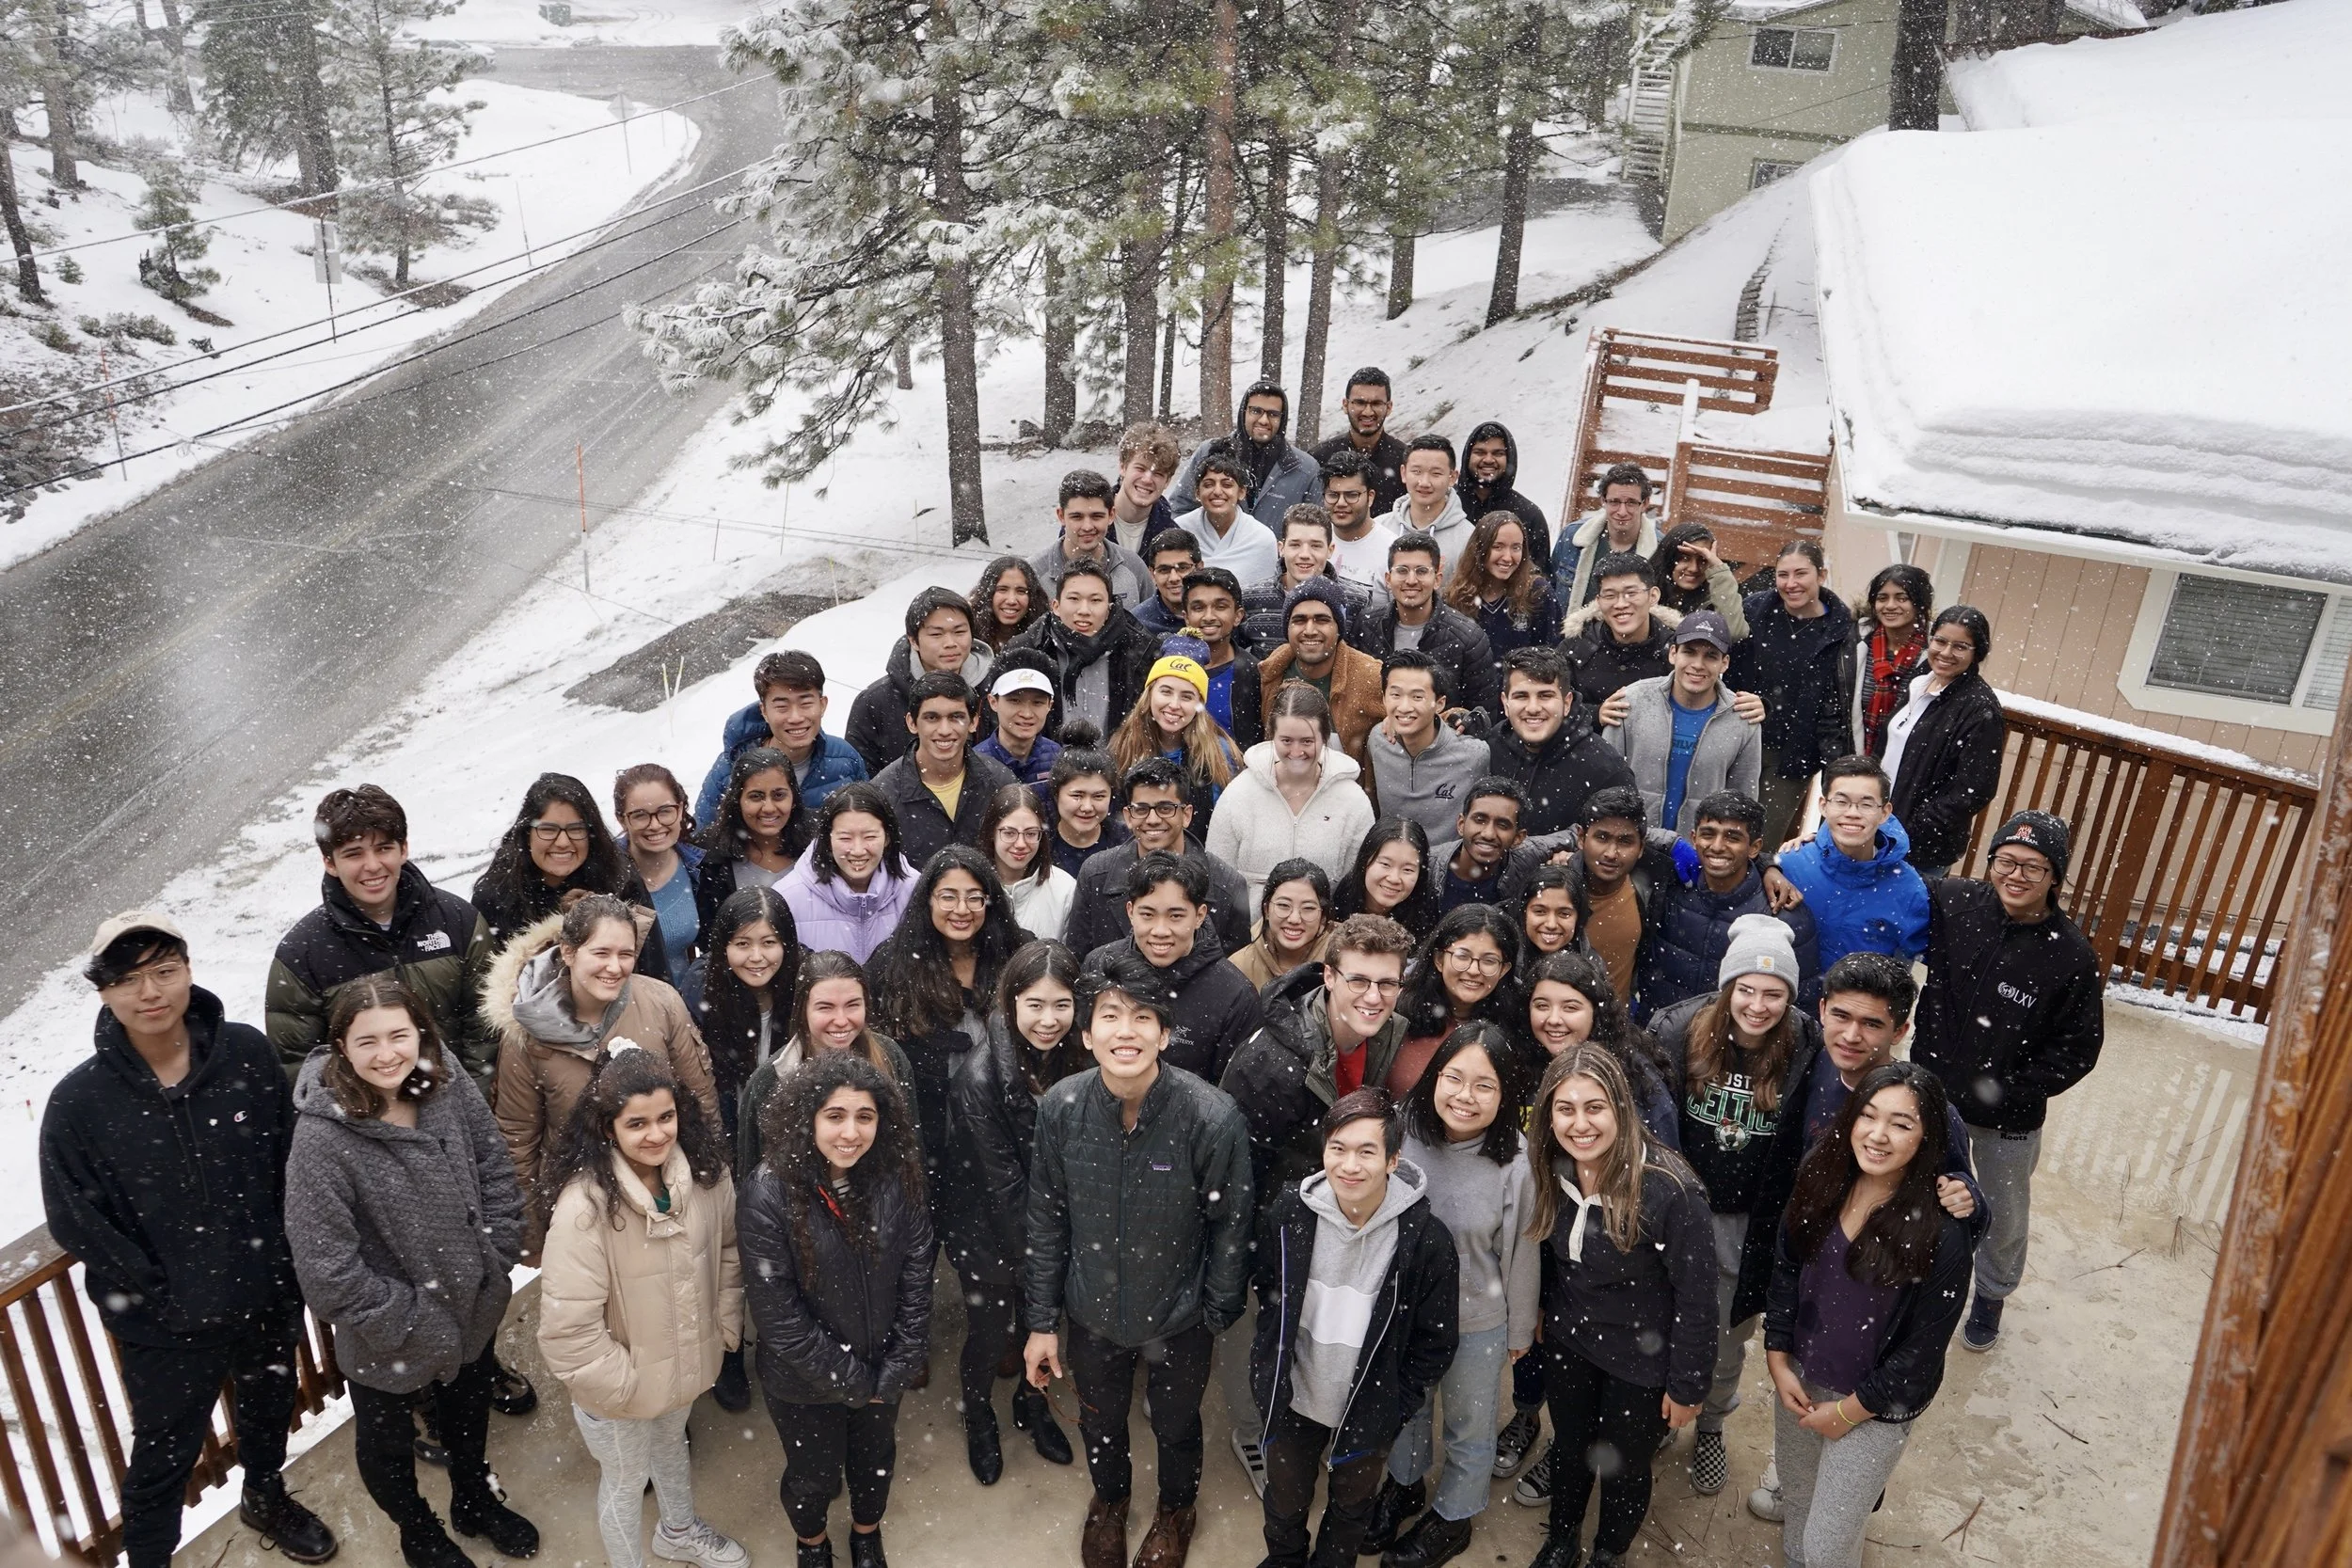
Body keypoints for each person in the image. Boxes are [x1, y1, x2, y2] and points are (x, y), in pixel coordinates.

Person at [42, 912, 338, 1568]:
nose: (151, 992)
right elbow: (76, 1219)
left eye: (164, 971)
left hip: (265, 1293)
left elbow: (288, 1160)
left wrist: (284, 1262)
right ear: (104, 992)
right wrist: (162, 1297)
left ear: (188, 971)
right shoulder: (79, 1103)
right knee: (162, 1461)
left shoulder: (243, 1053)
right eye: (130, 979)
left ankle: (264, 1493)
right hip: (165, 1328)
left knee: (267, 1409)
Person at [284, 976, 534, 1568]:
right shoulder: (323, 1138)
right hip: (388, 1333)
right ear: (341, 1047)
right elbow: (327, 1271)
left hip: (473, 1303)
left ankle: (473, 1499)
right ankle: (418, 1531)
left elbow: (494, 1167)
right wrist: (416, 1319)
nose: (387, 1053)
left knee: (467, 1418)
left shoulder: (440, 1083)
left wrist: (492, 1263)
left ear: (421, 1034)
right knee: (387, 1444)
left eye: (400, 1035)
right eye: (366, 1040)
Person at [1729, 954, 1986, 1523]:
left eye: (1872, 1024)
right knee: (1804, 1382)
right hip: (1808, 1250)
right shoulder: (1812, 1065)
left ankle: (1847, 1494)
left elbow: (1960, 1196)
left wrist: (1970, 1199)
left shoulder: (1921, 1109)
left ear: (1901, 1030)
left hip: (1874, 1285)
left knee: (1847, 1405)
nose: (1851, 1034)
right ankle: (1804, 1484)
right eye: (1840, 1016)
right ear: (1819, 1011)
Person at [1024, 950, 1255, 1568]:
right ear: (1086, 1031)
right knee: (1100, 1420)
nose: (1126, 1030)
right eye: (1110, 1015)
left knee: (1177, 1424)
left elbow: (1232, 1220)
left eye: (1142, 1016)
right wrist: (1043, 1321)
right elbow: (1046, 1218)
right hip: (1091, 1310)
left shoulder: (1210, 1116)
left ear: (1166, 1032)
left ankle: (1176, 1509)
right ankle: (1110, 1499)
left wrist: (1214, 1310)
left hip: (1178, 1315)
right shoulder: (1061, 1109)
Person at [1217, 912, 1418, 1489]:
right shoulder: (1272, 1062)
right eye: (1358, 980)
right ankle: (1253, 1429)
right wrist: (1249, 1250)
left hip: (1333, 1211)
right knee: (1258, 1327)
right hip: (1271, 1218)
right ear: (1328, 976)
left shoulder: (1385, 1034)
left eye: (1387, 983)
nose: (1373, 996)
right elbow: (1236, 1171)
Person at [535, 1049, 747, 1568]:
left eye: (666, 1117)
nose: (656, 1134)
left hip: (680, 1367)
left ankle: (677, 1532)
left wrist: (722, 1324)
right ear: (608, 1127)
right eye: (637, 1124)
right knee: (626, 1481)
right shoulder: (583, 1208)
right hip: (620, 1390)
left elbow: (728, 1251)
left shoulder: (706, 1178)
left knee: (672, 1447)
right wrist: (626, 1386)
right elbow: (569, 1330)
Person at [1763, 1062, 1973, 1568]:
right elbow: (1787, 1269)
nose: (1878, 1136)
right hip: (1802, 1381)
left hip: (1875, 1408)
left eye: (1901, 1124)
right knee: (1798, 1504)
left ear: (1927, 1139)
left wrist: (1848, 1412)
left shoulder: (1945, 1231)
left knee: (1829, 1543)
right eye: (1869, 1117)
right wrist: (1777, 1355)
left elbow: (1922, 1354)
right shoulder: (1821, 1176)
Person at [1912, 812, 2103, 1354]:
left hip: (2008, 1118)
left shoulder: (2071, 956)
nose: (2016, 876)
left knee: (2002, 1209)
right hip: (1935, 1095)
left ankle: (1991, 1295)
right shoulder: (1954, 903)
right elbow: (1889, 883)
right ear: (1990, 861)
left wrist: (2012, 1088)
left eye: (2033, 867)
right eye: (2006, 861)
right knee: (1925, 1194)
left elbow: (2078, 1051)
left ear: (2054, 878)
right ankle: (1917, 1279)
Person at [738, 1052, 933, 1568]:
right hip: (803, 1381)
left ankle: (866, 1534)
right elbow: (777, 1312)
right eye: (835, 1116)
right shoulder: (768, 1191)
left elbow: (917, 1271)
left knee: (874, 1466)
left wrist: (896, 1365)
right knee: (814, 1475)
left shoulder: (897, 1177)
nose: (851, 1132)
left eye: (864, 1117)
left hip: (880, 1367)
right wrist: (852, 1381)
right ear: (808, 1118)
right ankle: (813, 1542)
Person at [1522, 1047, 1714, 1568]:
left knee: (1624, 1463)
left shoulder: (1672, 1191)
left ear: (1622, 1109)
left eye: (1595, 1107)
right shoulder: (1549, 1166)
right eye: (1565, 1108)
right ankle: (1562, 1539)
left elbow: (1699, 1299)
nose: (1580, 1124)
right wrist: (1541, 1308)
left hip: (1642, 1356)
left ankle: (1609, 1551)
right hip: (1571, 1340)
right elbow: (1545, 1250)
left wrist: (1688, 1384)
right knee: (1570, 1445)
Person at [1251, 1088, 1459, 1568]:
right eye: (1338, 1149)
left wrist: (1395, 1402)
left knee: (1351, 1506)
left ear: (1392, 1159)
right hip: (1293, 1396)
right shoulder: (1291, 1214)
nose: (1349, 1165)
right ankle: (1284, 1560)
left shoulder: (1425, 1241)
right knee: (1283, 1500)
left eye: (1367, 1151)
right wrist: (1268, 1367)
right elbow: (1268, 1290)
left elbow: (1435, 1341)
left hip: (1368, 1407)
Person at [1645, 915, 1816, 1497]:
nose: (1758, 1005)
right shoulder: (1678, 1030)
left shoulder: (1806, 1045)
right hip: (1681, 1209)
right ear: (1727, 988)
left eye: (1774, 994)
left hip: (1749, 1222)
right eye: (1746, 989)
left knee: (1724, 1338)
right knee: (1660, 1324)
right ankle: (1664, 1413)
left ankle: (1713, 1425)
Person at [1376, 1028, 1539, 1568]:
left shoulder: (1515, 1161)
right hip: (1404, 1314)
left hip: (1477, 1318)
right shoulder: (1400, 1130)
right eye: (1454, 1078)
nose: (1465, 1096)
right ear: (1434, 1077)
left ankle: (1454, 1515)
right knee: (1406, 1410)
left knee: (1470, 1423)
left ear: (1505, 1095)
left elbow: (1522, 1252)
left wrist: (1518, 1331)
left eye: (1484, 1086)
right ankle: (1404, 1486)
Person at [484, 892, 723, 1251]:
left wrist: (710, 1182)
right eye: (601, 953)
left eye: (625, 954)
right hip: (581, 1210)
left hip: (665, 1192)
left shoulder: (661, 1003)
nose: (615, 967)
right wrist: (535, 1234)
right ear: (568, 952)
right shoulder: (525, 1035)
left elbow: (700, 1101)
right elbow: (517, 1140)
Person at [948, 942, 1087, 1481]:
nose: (1048, 1020)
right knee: (990, 1332)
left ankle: (1032, 1406)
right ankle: (978, 1414)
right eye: (1034, 1005)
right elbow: (1003, 1189)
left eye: (1061, 1005)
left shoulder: (1081, 1056)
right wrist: (1043, 1269)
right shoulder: (979, 1081)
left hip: (1048, 1223)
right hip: (984, 1223)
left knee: (1042, 1329)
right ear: (1010, 1004)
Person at [266, 784, 494, 1080]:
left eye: (383, 848)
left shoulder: (459, 922)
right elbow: (298, 1065)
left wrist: (470, 1106)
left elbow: (485, 1031)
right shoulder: (301, 954)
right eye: (354, 854)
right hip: (363, 1118)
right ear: (329, 863)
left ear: (404, 849)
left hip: (455, 1106)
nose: (372, 866)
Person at [866, 847, 1026, 1232]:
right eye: (948, 896)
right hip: (925, 1131)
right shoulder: (893, 963)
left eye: (974, 897)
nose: (962, 909)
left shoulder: (1017, 953)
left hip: (1002, 1129)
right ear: (928, 900)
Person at [1078, 849, 1266, 1083]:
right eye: (1147, 914)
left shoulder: (1234, 994)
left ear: (1199, 916)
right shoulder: (1099, 964)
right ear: (1130, 912)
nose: (1160, 931)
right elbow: (1082, 1059)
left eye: (1175, 916)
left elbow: (1233, 1092)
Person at [471, 772, 674, 983]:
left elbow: (655, 972)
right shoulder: (496, 897)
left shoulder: (619, 878)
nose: (562, 842)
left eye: (576, 829)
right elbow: (489, 991)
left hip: (624, 1009)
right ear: (526, 834)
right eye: (548, 830)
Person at [732, 951, 919, 1179]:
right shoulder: (770, 1080)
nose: (841, 1020)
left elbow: (911, 1153)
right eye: (825, 1007)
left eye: (852, 1005)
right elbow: (753, 1178)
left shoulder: (891, 1057)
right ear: (803, 1011)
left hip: (882, 1206)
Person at [1638, 791, 1820, 1018]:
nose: (1717, 846)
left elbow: (1803, 1007)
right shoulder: (1669, 886)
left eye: (1732, 837)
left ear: (1754, 848)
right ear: (1693, 838)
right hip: (1658, 1036)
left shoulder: (1785, 915)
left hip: (1735, 1046)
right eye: (1708, 834)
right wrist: (1673, 842)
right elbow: (1624, 831)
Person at [1729, 541, 1857, 851]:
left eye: (1801, 574)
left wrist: (1772, 707)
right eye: (1782, 574)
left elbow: (1826, 698)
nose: (1791, 584)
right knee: (1721, 828)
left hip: (1792, 754)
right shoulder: (1755, 610)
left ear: (1821, 575)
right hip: (1738, 741)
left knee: (1760, 841)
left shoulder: (1841, 631)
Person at [1063, 755, 1253, 958]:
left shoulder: (1227, 885)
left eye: (1165, 809)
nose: (1153, 820)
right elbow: (1079, 962)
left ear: (1186, 815)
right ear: (1128, 816)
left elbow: (1232, 971)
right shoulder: (1095, 875)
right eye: (1141, 809)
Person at [1601, 611, 1763, 840]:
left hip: (1699, 854)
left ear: (1724, 663)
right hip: (1630, 844)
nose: (1698, 665)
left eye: (1710, 656)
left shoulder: (1743, 718)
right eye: (1689, 652)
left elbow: (1742, 803)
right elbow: (1605, 783)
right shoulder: (1632, 700)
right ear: (1673, 653)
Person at [1209, 682, 1376, 899]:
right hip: (1249, 930)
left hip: (1325, 930)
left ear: (1325, 738)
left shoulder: (1353, 801)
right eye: (1286, 741)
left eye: (1307, 741)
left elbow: (1356, 887)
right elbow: (1216, 878)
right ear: (1272, 737)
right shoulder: (1239, 793)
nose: (1296, 752)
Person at [1768, 756, 1931, 970]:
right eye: (1841, 801)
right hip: (1785, 1000)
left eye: (1866, 804)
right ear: (1824, 806)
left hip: (1856, 1001)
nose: (1852, 813)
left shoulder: (1908, 888)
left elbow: (1927, 960)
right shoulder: (1788, 866)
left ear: (1884, 812)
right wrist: (1768, 865)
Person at [677, 885, 802, 1157]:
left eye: (769, 943)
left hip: (791, 1141)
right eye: (743, 944)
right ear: (724, 946)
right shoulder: (701, 991)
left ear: (786, 944)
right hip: (725, 1138)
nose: (756, 957)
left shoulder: (804, 988)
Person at [1883, 606, 2005, 878]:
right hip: (1880, 829)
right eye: (1940, 641)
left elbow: (1974, 789)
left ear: (1977, 654)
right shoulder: (1920, 680)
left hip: (1919, 848)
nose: (1946, 653)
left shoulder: (1980, 709)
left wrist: (1911, 829)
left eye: (1960, 646)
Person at [694, 649, 867, 826]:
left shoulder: (845, 759)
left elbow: (869, 824)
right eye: (782, 707)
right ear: (764, 711)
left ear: (822, 705)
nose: (795, 718)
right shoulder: (731, 767)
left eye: (806, 704)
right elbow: (701, 839)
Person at [1486, 646, 1642, 840]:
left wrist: (1575, 855)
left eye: (1545, 696)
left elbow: (1627, 843)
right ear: (1505, 703)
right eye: (1521, 696)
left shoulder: (1606, 769)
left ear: (1567, 703)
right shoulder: (1489, 747)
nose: (1533, 708)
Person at [871, 671, 1021, 872]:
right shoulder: (883, 794)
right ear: (912, 723)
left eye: (956, 717)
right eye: (932, 718)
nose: (944, 730)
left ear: (974, 722)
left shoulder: (1000, 782)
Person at [845, 586, 993, 776]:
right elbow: (860, 781)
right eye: (936, 634)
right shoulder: (875, 702)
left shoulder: (995, 690)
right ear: (913, 640)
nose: (950, 643)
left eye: (959, 632)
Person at [1349, 533, 1497, 717]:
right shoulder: (1366, 624)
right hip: (1374, 739)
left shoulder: (1469, 638)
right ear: (1388, 579)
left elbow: (1482, 715)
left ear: (1437, 579)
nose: (1411, 580)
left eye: (1421, 571)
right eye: (1402, 571)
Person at [1009, 561, 1162, 738]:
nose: (1084, 610)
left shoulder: (1141, 652)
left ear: (1109, 608)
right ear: (1055, 606)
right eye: (1074, 599)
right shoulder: (1027, 650)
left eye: (1095, 600)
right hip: (1044, 762)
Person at [1388, 906, 1523, 1098]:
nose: (1474, 970)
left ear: (1504, 970)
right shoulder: (1396, 1012)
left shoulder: (1516, 1025)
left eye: (1489, 961)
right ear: (1439, 959)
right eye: (1462, 956)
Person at [778, 782, 916, 964]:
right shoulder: (788, 898)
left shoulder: (916, 890)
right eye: (845, 838)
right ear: (827, 840)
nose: (858, 850)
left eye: (870, 837)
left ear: (888, 837)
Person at [1110, 639, 1245, 823]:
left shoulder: (1220, 755)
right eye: (1166, 692)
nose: (1174, 705)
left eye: (1187, 696)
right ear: (1149, 694)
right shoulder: (1122, 749)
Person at [1259, 579, 1387, 770]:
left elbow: (1423, 719)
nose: (1310, 631)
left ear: (1339, 629)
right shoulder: (1270, 673)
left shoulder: (1371, 676)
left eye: (1322, 620)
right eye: (1299, 620)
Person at [1368, 651, 1489, 849]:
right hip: (1393, 867)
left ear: (1439, 704)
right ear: (1383, 698)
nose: (1404, 707)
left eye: (1417, 697)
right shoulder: (1378, 740)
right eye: (1395, 695)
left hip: (1448, 869)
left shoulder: (1474, 755)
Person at [1167, 378, 1323, 529]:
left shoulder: (1305, 469)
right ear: (1243, 412)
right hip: (1212, 554)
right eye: (1256, 411)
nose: (1264, 420)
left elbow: (1315, 527)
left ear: (1282, 419)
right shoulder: (1210, 451)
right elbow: (1179, 508)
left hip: (1275, 555)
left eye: (1273, 414)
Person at [1565, 787, 1672, 1006]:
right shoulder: (1552, 890)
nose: (1611, 853)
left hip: (1616, 1030)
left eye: (1624, 841)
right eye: (1602, 838)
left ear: (1641, 848)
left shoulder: (1652, 889)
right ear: (1581, 838)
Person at [691, 748, 811, 942]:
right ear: (738, 800)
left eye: (779, 795)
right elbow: (709, 937)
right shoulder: (710, 854)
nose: (769, 808)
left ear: (794, 798)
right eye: (756, 796)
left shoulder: (818, 842)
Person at [1446, 512, 1561, 707]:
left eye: (1516, 548)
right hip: (1468, 708)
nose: (1508, 557)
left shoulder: (1538, 593)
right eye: (1498, 547)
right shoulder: (1455, 598)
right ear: (1479, 549)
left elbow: (1554, 657)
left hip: (1521, 707)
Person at [1241, 504, 1379, 655]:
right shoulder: (1250, 598)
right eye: (1295, 545)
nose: (1305, 554)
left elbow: (1364, 662)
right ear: (1281, 548)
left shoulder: (1357, 600)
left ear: (1330, 550)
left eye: (1315, 545)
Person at [617, 765, 705, 981]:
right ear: (622, 819)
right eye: (640, 815)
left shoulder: (698, 866)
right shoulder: (607, 875)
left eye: (665, 811)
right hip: (630, 1007)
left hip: (685, 1006)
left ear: (681, 809)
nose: (655, 825)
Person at [1561, 555, 1676, 719]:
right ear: (1598, 601)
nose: (1621, 604)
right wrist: (1594, 715)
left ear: (1653, 596)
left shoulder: (1676, 650)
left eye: (1631, 593)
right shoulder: (1576, 648)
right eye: (1610, 595)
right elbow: (1552, 704)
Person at [1029, 468, 1153, 607]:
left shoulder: (1134, 567)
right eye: (1077, 517)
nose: (1087, 526)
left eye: (1096, 516)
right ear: (1061, 516)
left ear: (1111, 515)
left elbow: (1149, 623)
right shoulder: (1034, 573)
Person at [1848, 563, 1933, 758]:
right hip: (1850, 764)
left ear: (1919, 603)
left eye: (1902, 598)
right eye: (1882, 598)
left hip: (1902, 765)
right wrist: (1842, 762)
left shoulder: (1935, 655)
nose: (1890, 606)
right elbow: (1834, 711)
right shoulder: (1855, 642)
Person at [1550, 463, 1659, 609]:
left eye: (1631, 503)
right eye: (1614, 502)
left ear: (1645, 504)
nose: (1622, 511)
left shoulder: (1660, 548)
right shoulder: (1573, 537)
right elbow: (1549, 592)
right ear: (1602, 500)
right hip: (1572, 629)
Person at [1181, 567, 1265, 747]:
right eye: (1198, 608)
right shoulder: (1168, 668)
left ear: (1238, 616)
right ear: (1186, 617)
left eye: (1220, 607)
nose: (1209, 616)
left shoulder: (1255, 674)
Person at [983, 782, 1077, 941]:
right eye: (1009, 833)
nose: (1021, 844)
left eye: (1031, 833)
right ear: (992, 832)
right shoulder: (971, 885)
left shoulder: (1064, 888)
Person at [1309, 367, 1408, 516]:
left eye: (1376, 403)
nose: (1368, 412)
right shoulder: (1319, 457)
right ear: (1345, 405)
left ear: (1389, 407)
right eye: (1360, 403)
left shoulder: (1405, 461)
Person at [1455, 420, 1551, 566]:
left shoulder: (1529, 515)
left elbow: (1539, 578)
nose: (1488, 460)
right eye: (1479, 452)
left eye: (1498, 453)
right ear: (1467, 457)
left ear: (1509, 459)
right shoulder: (1446, 503)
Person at [1175, 452, 1281, 583]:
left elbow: (1266, 595)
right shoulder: (1179, 530)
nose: (1218, 492)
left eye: (1227, 485)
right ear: (1197, 493)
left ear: (1242, 492)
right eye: (1209, 485)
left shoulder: (1262, 538)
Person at [1232, 859, 1335, 991]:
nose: (1294, 919)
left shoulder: (1342, 961)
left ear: (1323, 916)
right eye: (1283, 905)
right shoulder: (1238, 967)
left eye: (1308, 908)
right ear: (1267, 909)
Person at [1333, 819, 1442, 942]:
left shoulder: (1426, 913)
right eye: (1385, 864)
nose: (1394, 878)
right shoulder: (1339, 901)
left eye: (1407, 869)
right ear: (1364, 862)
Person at [976, 647, 1065, 786]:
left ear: (1049, 705)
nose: (1027, 714)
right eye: (1015, 701)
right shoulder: (974, 763)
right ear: (993, 702)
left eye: (1037, 702)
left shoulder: (1059, 759)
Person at [1383, 435, 1471, 565]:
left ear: (1452, 477)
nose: (1424, 482)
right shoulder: (1380, 528)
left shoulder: (1468, 538)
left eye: (1436, 473)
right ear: (1403, 473)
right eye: (1417, 471)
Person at [1647, 523, 1750, 634]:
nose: (1694, 568)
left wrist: (1719, 569)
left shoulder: (1714, 601)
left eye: (1703, 560)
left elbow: (1734, 633)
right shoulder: (1641, 592)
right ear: (1668, 558)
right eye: (1685, 558)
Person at [1042, 747, 1128, 879]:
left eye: (1098, 796)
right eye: (1077, 795)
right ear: (1056, 794)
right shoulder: (1038, 842)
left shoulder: (1127, 841)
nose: (1087, 807)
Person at [1320, 450, 1400, 588]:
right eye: (1333, 495)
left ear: (1370, 497)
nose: (1341, 503)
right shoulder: (1313, 542)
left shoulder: (1392, 550)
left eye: (1352, 495)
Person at [1111, 421, 1184, 557]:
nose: (1147, 479)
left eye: (1158, 473)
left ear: (1167, 481)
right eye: (1140, 468)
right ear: (1123, 467)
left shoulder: (1171, 535)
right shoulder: (1088, 520)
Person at [1513, 863, 1590, 965]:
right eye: (1540, 912)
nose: (1551, 925)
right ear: (1523, 912)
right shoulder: (1497, 956)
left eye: (1564, 914)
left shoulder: (1591, 965)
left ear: (1578, 918)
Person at [970, 555, 1047, 654]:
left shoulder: (1046, 640)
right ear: (987, 593)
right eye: (1002, 590)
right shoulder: (968, 636)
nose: (1011, 601)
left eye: (1021, 591)